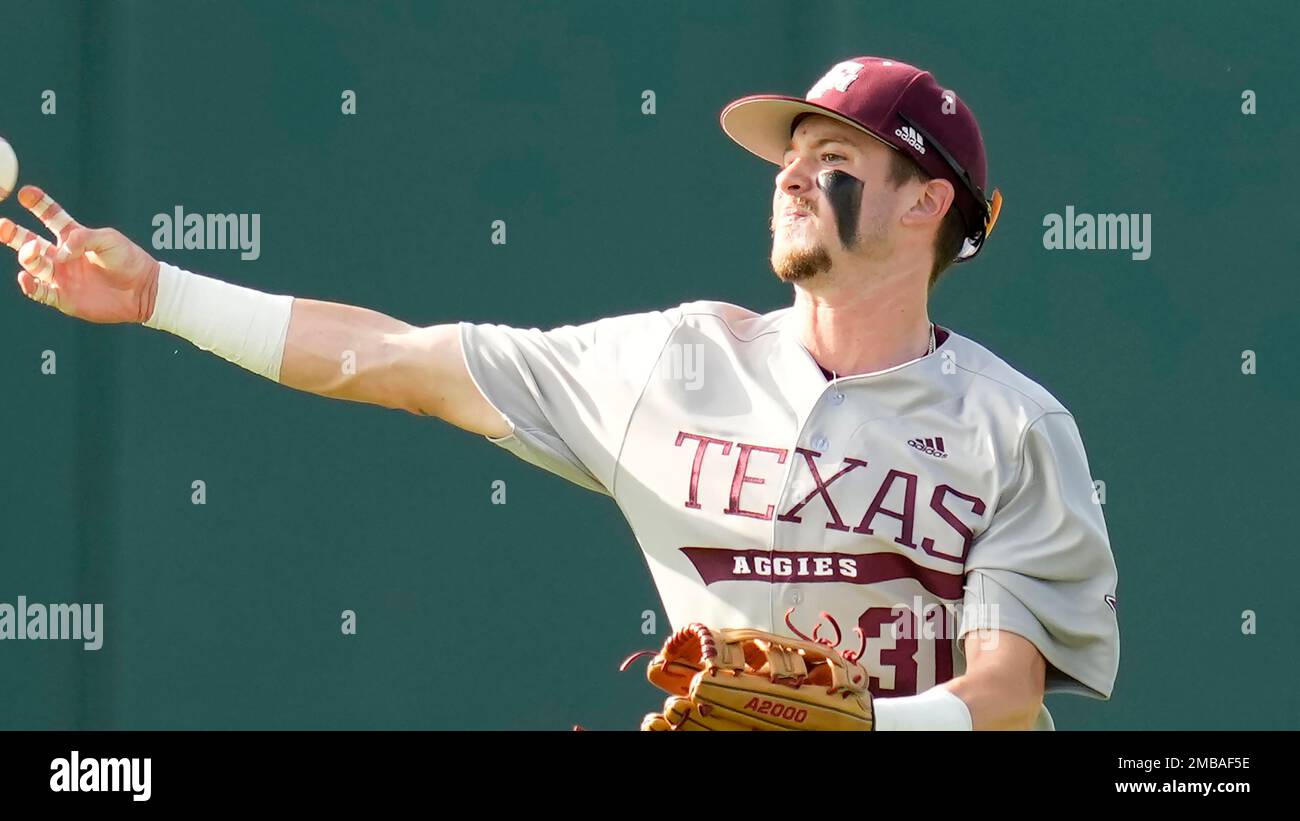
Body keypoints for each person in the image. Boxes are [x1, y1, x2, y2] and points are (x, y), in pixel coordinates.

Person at [6, 56, 1118, 730]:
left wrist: (861, 726)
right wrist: (163, 292)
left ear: (927, 203)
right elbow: (401, 359)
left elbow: (1006, 691)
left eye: (833, 155)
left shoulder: (1011, 427)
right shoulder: (675, 363)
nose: (786, 172)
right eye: (788, 152)